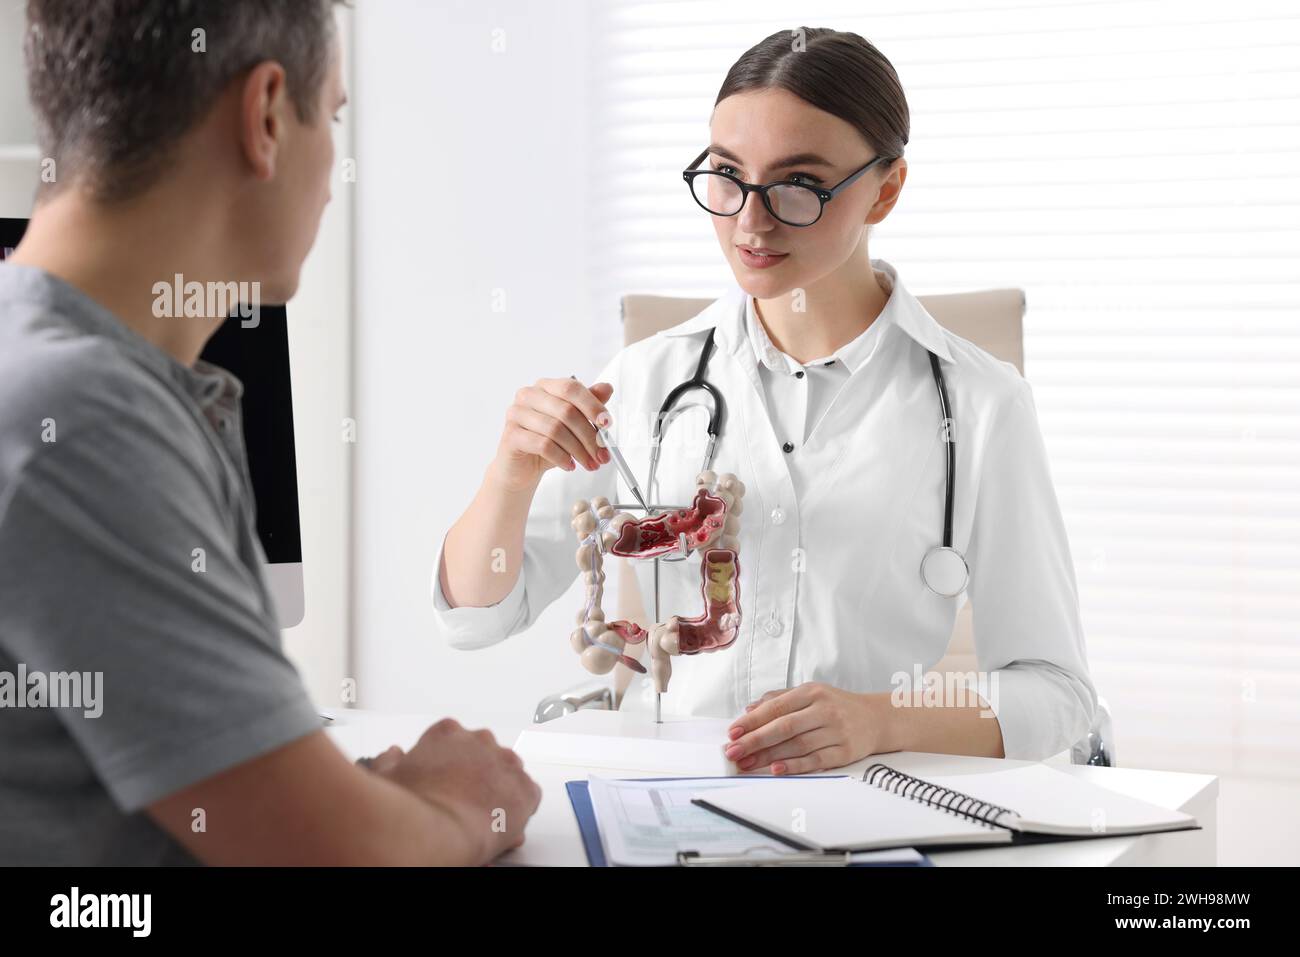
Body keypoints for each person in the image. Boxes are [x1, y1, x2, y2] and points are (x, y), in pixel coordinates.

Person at [433, 27, 1097, 769]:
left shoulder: (980, 404)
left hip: (870, 811)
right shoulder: (649, 379)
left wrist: (880, 720)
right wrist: (510, 474)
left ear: (886, 188)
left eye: (798, 185)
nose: (750, 219)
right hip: (667, 802)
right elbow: (476, 619)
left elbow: (1058, 693)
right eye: (726, 174)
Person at [0, 0, 538, 866]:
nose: (332, 172)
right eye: (329, 118)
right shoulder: (85, 417)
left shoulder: (73, 373)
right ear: (263, 117)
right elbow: (324, 855)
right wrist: (465, 802)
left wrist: (342, 796)